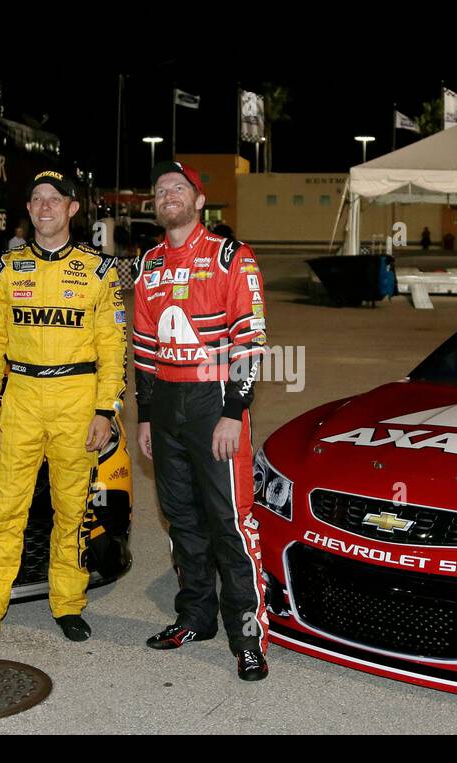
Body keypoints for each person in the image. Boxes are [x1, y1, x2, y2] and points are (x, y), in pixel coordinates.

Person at [0, 170, 126, 654]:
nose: (45, 207)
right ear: (30, 209)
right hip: (19, 398)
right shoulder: (2, 268)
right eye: (37, 198)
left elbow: (112, 347)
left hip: (78, 401)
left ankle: (68, 605)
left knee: (72, 512)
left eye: (54, 199)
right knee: (3, 513)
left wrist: (106, 409)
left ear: (72, 209)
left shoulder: (100, 271)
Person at [134, 160, 269, 682]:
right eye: (161, 189)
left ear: (199, 200)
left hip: (216, 402)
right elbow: (144, 349)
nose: (168, 195)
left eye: (178, 188)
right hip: (166, 406)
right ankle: (195, 618)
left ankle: (247, 634)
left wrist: (235, 412)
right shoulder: (147, 264)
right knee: (181, 518)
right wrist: (146, 418)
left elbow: (250, 341)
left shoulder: (233, 256)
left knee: (229, 522)